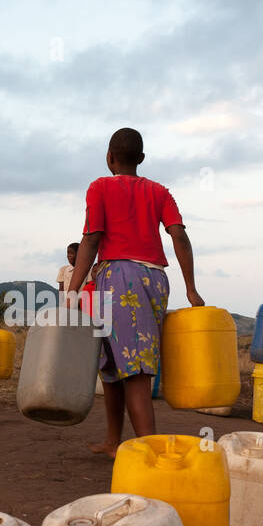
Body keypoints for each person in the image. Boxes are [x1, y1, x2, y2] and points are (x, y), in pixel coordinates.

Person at [67, 127, 204, 457]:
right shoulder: (159, 192)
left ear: (109, 158)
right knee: (112, 366)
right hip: (154, 280)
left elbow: (91, 238)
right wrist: (190, 288)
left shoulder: (100, 187)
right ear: (141, 159)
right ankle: (114, 442)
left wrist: (72, 290)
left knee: (136, 371)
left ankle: (151, 454)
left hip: (117, 277)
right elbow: (179, 237)